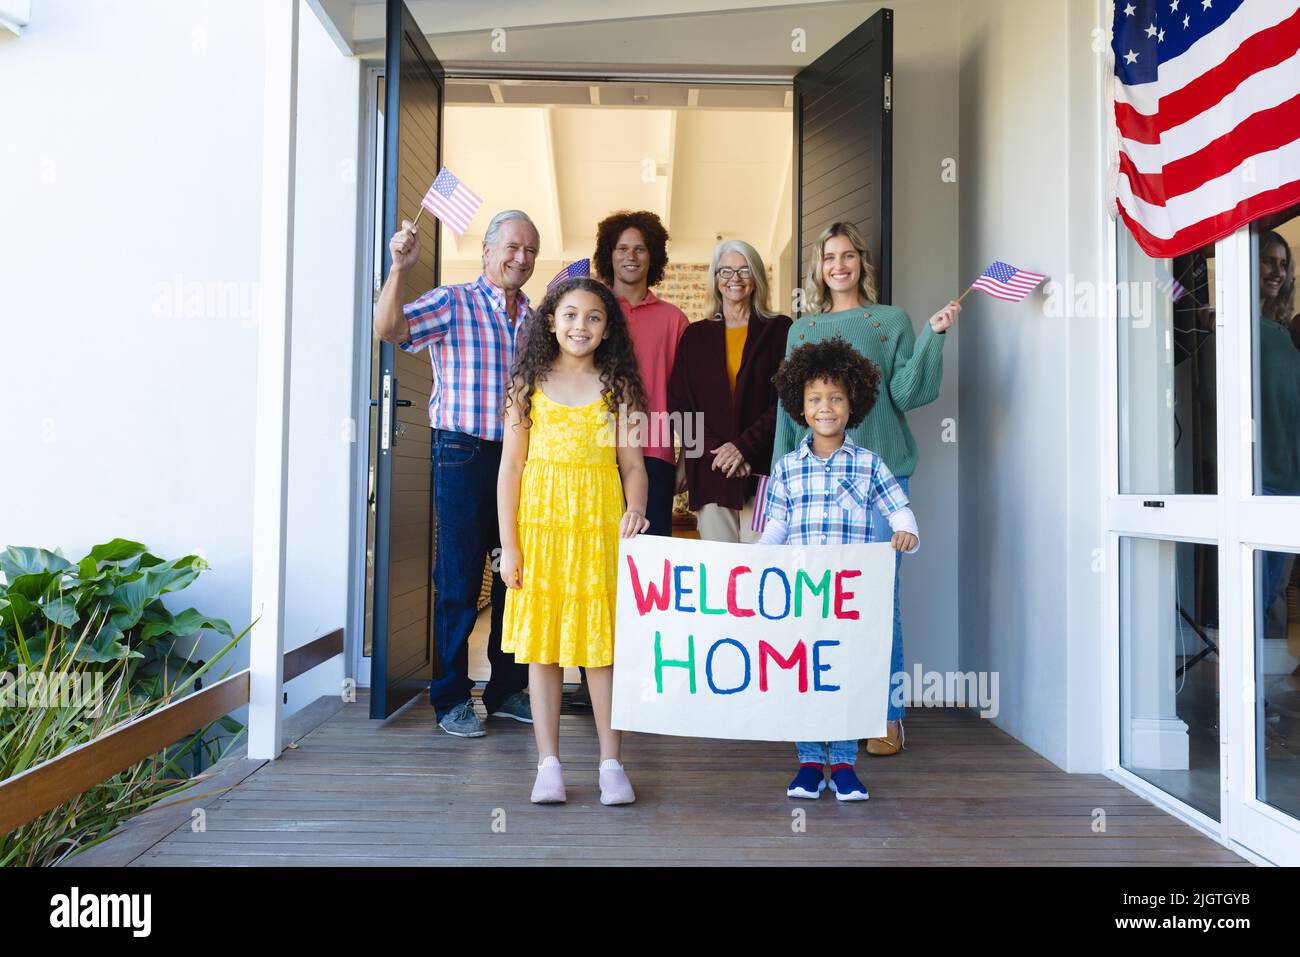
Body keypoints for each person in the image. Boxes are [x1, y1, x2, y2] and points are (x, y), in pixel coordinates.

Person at [771, 221, 959, 755]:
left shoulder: (889, 321)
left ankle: (885, 715)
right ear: (818, 267)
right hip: (810, 487)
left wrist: (933, 335)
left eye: (848, 255)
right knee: (817, 600)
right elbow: (790, 415)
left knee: (875, 600)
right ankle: (820, 708)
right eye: (829, 257)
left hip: (877, 483)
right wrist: (779, 490)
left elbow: (907, 391)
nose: (839, 265)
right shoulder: (801, 331)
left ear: (861, 263)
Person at [373, 210, 538, 738]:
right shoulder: (453, 301)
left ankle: (506, 688)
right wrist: (399, 269)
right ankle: (450, 697)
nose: (521, 258)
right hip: (463, 453)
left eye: (530, 250)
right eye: (512, 247)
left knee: (516, 574)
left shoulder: (536, 318)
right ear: (486, 252)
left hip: (523, 459)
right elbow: (388, 329)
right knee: (460, 578)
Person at [497, 277, 651, 805]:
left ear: (608, 329)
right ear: (550, 321)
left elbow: (632, 466)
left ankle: (611, 763)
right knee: (543, 650)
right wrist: (509, 546)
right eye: (569, 315)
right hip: (540, 533)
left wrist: (635, 509)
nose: (579, 326)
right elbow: (510, 468)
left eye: (592, 317)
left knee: (601, 650)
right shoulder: (527, 383)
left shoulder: (619, 387)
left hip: (599, 530)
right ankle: (549, 765)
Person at [759, 337, 920, 801]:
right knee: (808, 677)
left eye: (835, 398)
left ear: (853, 405)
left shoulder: (870, 465)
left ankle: (845, 764)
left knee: (846, 676)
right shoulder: (788, 468)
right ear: (800, 408)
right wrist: (757, 557)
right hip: (804, 595)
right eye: (814, 399)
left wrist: (906, 533)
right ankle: (810, 762)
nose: (825, 407)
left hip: (848, 599)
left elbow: (899, 511)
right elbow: (777, 527)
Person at [669, 240, 791, 542]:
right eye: (726, 270)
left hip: (762, 473)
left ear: (757, 277)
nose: (734, 278)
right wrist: (721, 454)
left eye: (744, 270)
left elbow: (788, 399)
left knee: (763, 573)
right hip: (711, 475)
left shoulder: (780, 330)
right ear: (715, 279)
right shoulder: (695, 336)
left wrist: (743, 448)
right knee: (720, 577)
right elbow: (679, 405)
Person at [592, 210, 689, 536]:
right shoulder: (593, 312)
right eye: (622, 248)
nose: (630, 257)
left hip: (653, 452)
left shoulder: (674, 320)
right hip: (594, 450)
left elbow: (688, 395)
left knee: (648, 565)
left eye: (640, 249)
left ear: (654, 256)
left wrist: (687, 455)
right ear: (609, 254)